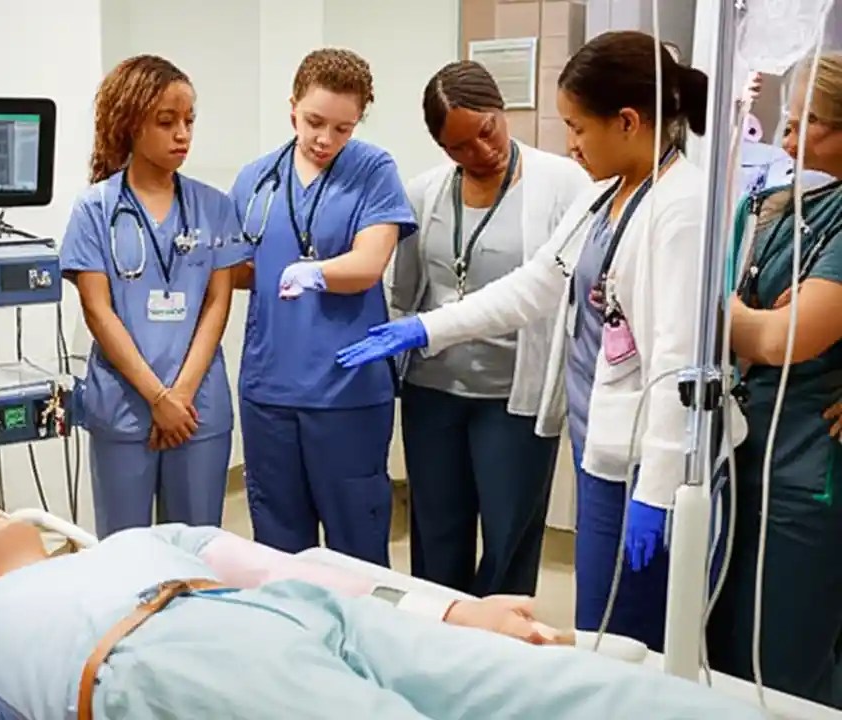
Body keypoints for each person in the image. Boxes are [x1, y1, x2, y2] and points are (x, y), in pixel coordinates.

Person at [338, 31, 718, 652]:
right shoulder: (605, 195)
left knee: (632, 638)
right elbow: (535, 285)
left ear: (626, 121)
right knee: (601, 623)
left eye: (577, 127)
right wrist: (424, 327)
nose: (569, 143)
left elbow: (678, 361)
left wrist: (656, 491)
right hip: (605, 444)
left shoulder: (680, 206)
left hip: (651, 463)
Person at [0, 506, 767, 720]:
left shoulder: (136, 536)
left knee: (555, 684)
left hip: (294, 615)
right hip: (164, 657)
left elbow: (295, 569)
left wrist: (449, 616)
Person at [391, 60, 589, 597]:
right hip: (433, 393)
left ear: (501, 111)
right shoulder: (424, 194)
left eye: (487, 131)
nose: (482, 151)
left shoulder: (563, 183)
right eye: (459, 147)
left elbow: (565, 289)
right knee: (437, 533)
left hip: (514, 399)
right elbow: (403, 295)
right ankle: (441, 640)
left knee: (510, 537)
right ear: (440, 147)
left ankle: (502, 647)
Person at [229, 48, 417, 566]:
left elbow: (369, 263)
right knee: (279, 549)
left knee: (356, 548)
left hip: (346, 392)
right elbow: (237, 269)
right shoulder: (256, 180)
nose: (326, 140)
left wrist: (313, 272)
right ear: (292, 107)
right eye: (314, 122)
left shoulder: (373, 170)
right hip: (270, 390)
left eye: (343, 128)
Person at [60, 55, 248, 538]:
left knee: (196, 549)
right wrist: (156, 397)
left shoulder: (214, 206)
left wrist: (179, 396)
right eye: (166, 122)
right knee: (126, 555)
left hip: (196, 408)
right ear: (129, 123)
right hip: (125, 407)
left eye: (188, 121)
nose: (182, 133)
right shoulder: (95, 209)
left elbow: (216, 304)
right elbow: (98, 311)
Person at [709, 53, 842, 707]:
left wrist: (724, 308)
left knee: (788, 660)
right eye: (787, 125)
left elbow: (777, 339)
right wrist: (757, 324)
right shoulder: (773, 209)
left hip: (808, 467)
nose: (789, 142)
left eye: (809, 125)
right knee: (726, 645)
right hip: (743, 451)